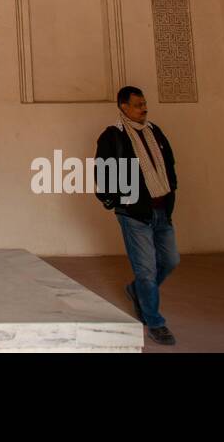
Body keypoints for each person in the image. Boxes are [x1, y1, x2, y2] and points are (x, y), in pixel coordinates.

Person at [94, 85, 180, 346]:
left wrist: (170, 191)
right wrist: (117, 202)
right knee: (146, 270)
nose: (144, 108)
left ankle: (135, 291)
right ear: (123, 107)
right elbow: (102, 173)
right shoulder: (113, 136)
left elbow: (169, 165)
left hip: (161, 210)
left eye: (144, 104)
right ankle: (155, 322)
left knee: (170, 260)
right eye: (138, 104)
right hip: (134, 213)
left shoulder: (155, 132)